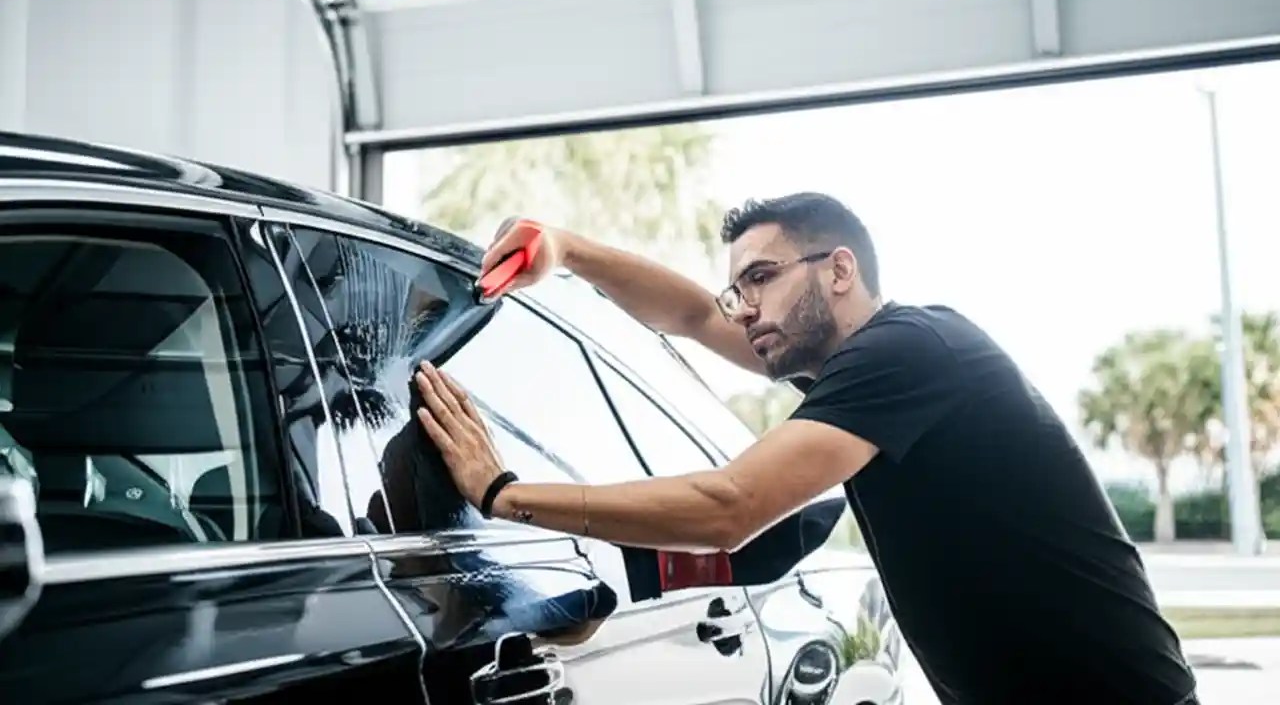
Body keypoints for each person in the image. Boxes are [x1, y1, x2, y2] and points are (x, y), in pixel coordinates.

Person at [413, 192, 1200, 705]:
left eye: (761, 278)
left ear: (841, 270)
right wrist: (567, 248)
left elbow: (729, 508)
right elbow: (690, 314)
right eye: (738, 289)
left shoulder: (908, 351)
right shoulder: (866, 365)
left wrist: (503, 494)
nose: (744, 307)